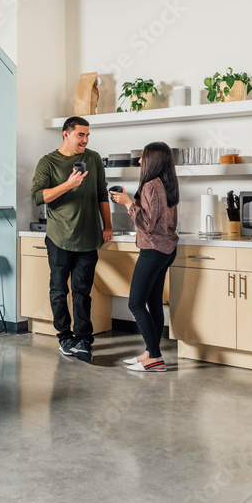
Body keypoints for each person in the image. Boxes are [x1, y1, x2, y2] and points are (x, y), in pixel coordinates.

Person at [31, 116, 113, 363]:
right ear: (65, 134)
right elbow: (37, 196)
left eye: (87, 135)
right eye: (80, 135)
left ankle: (84, 339)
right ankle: (65, 336)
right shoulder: (48, 162)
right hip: (59, 237)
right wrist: (68, 184)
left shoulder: (94, 158)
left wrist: (108, 225)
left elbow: (101, 194)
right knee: (58, 290)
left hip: (88, 238)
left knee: (82, 292)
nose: (85, 140)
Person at [109, 142, 179, 372]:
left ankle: (156, 357)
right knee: (153, 302)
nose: (139, 161)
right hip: (167, 249)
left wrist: (128, 203)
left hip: (153, 250)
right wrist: (130, 201)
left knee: (135, 303)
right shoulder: (167, 185)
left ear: (152, 161)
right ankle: (150, 352)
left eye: (143, 157)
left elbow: (148, 224)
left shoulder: (151, 185)